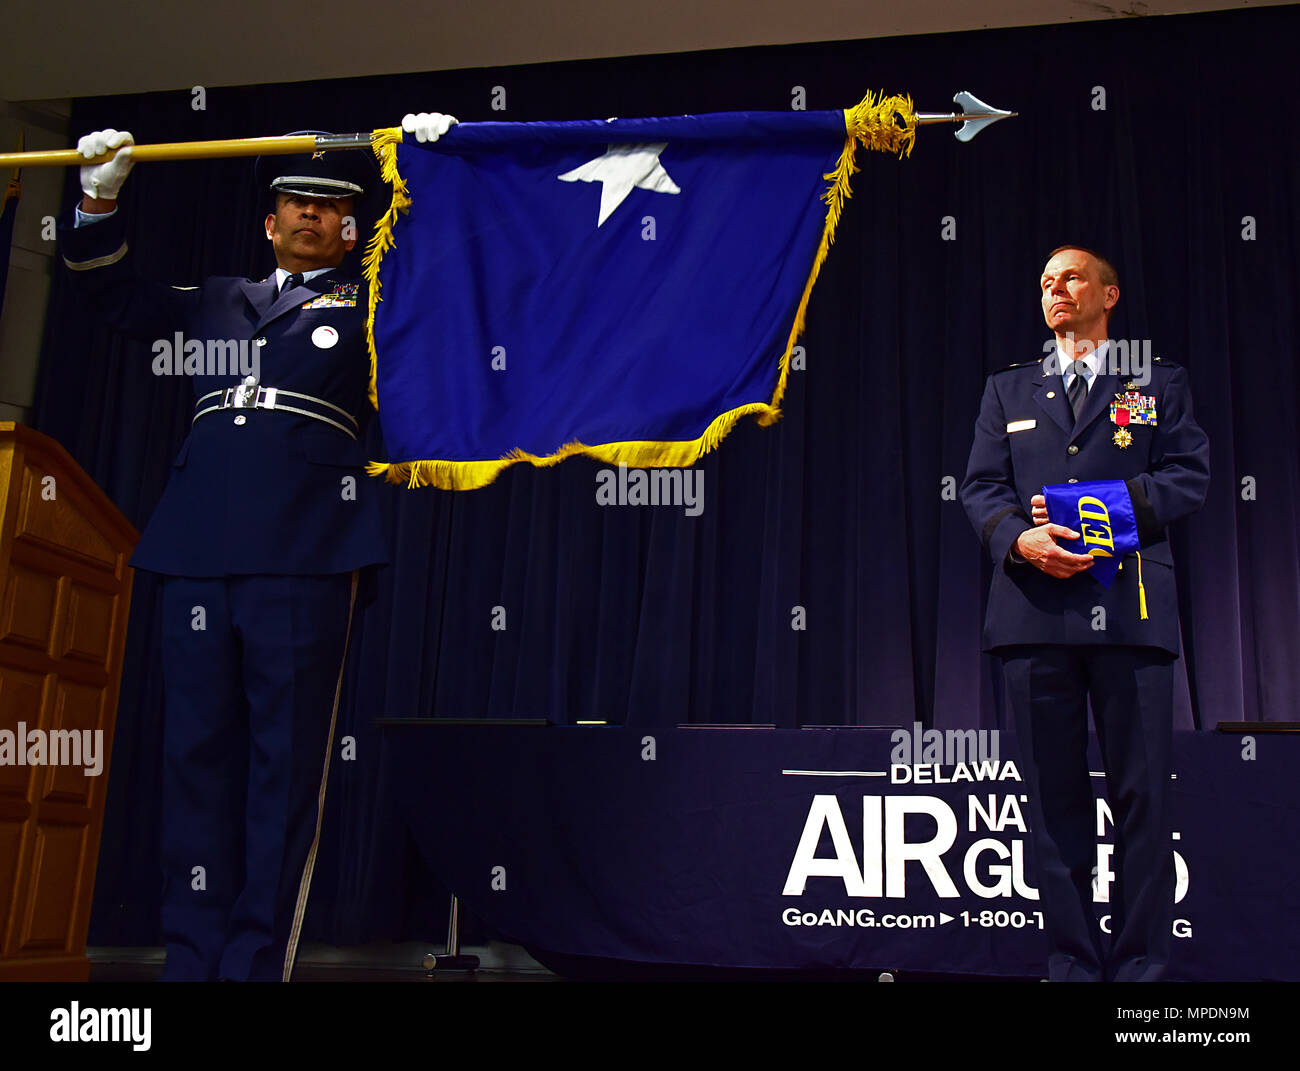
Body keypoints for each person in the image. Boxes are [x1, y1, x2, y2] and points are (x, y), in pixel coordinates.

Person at [60, 112, 455, 981]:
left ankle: (250, 966)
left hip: (307, 544)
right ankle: (191, 961)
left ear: (350, 227)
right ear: (269, 220)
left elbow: (455, 287)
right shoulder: (214, 299)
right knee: (193, 761)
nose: (311, 215)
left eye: (330, 206)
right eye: (295, 202)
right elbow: (104, 292)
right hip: (197, 541)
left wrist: (433, 175)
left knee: (283, 771)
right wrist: (98, 196)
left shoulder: (377, 300)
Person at [959, 245, 1209, 982]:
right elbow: (980, 490)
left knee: (1142, 803)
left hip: (1128, 614)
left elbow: (1186, 476)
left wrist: (1095, 513)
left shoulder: (1156, 383)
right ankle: (1070, 965)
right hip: (1032, 617)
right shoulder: (1006, 391)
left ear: (1109, 293)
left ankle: (1139, 974)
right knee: (1050, 805)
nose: (1055, 290)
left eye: (1069, 277)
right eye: (1044, 282)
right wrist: (1020, 538)